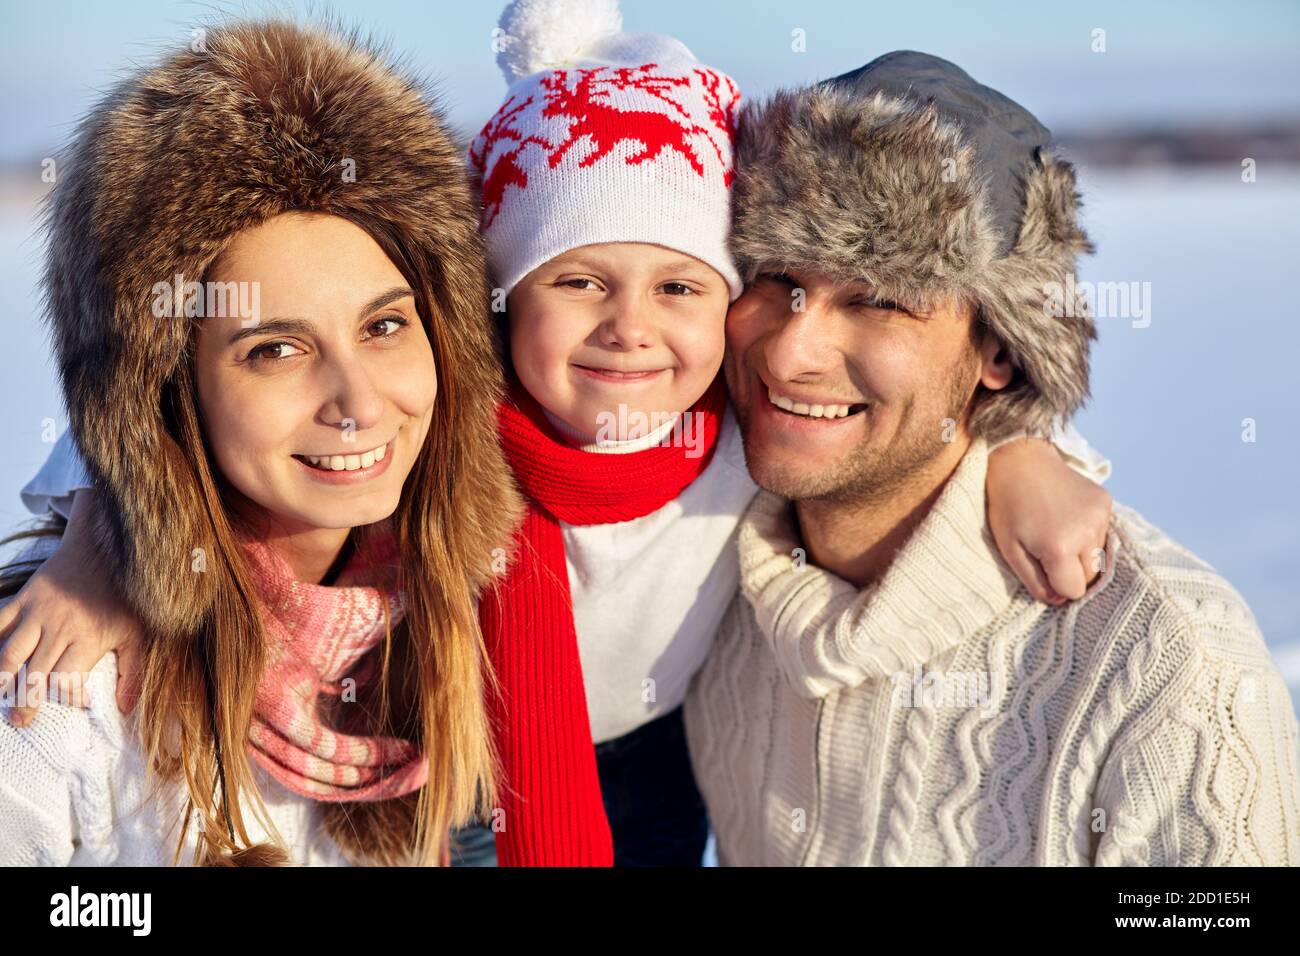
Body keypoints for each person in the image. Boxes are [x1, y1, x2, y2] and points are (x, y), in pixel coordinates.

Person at [684, 51, 1300, 865]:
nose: (791, 350)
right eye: (774, 278)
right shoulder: (699, 576)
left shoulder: (1166, 665)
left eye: (878, 299)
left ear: (1000, 351)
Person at [0, 18, 521, 866]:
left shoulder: (445, 631)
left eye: (386, 325)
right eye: (275, 350)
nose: (357, 402)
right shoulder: (53, 697)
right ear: (167, 395)